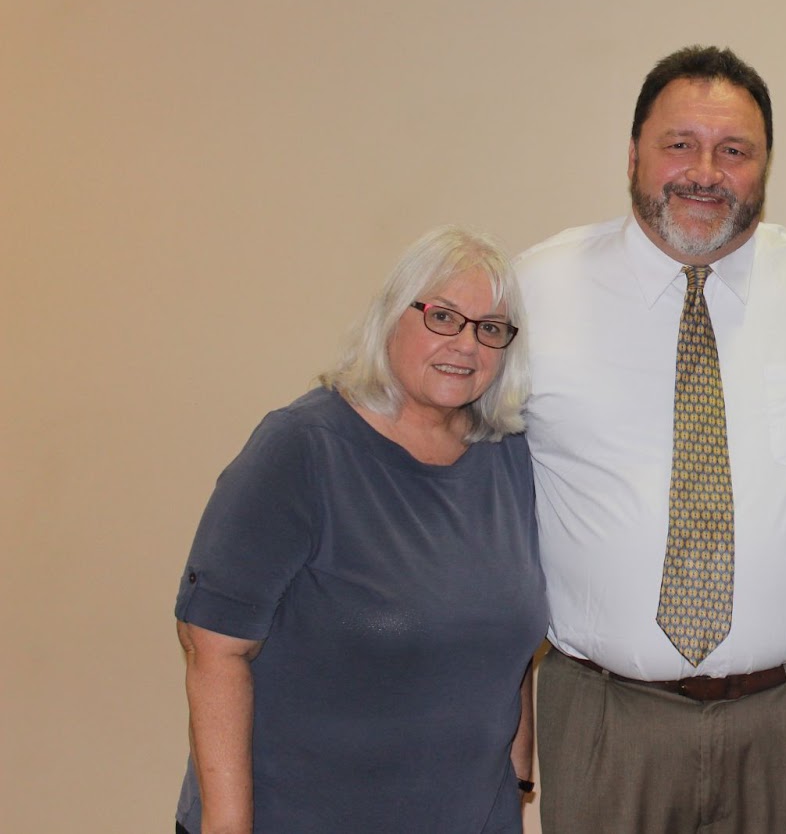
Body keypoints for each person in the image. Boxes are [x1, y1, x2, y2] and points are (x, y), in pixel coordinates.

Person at [516, 45, 786, 834]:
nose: (705, 171)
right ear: (634, 153)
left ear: (765, 167)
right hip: (606, 720)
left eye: (733, 151)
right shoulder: (535, 292)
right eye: (680, 144)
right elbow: (481, 509)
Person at [172, 226, 548, 834]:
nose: (467, 344)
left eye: (490, 329)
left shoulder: (508, 457)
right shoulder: (301, 449)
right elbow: (213, 646)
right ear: (392, 317)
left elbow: (510, 629)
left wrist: (519, 775)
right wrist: (227, 824)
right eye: (444, 316)